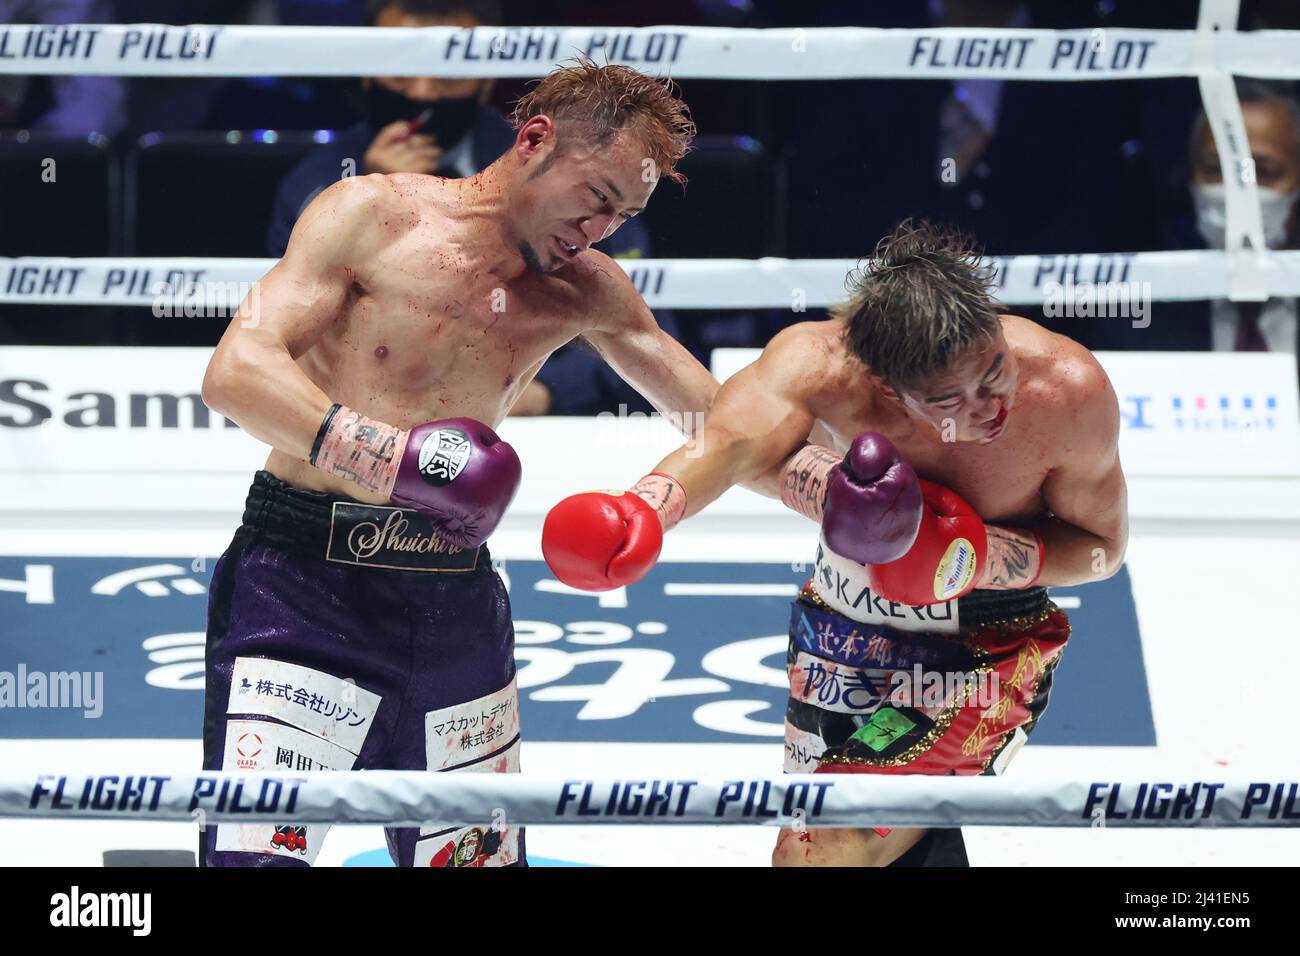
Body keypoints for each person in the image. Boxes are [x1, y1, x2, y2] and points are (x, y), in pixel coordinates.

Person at [199, 59, 711, 867]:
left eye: (624, 216)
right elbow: (235, 372)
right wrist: (395, 461)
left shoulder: (588, 291)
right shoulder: (367, 213)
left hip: (454, 606)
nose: (600, 231)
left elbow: (726, 423)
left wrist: (657, 503)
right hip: (300, 588)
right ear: (535, 141)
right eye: (597, 199)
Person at [543, 219, 1129, 866]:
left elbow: (1102, 549)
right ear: (886, 388)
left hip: (982, 649)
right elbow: (730, 441)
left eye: (994, 372)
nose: (989, 406)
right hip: (837, 632)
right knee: (834, 847)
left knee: (825, 848)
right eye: (948, 398)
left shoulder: (1067, 391)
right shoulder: (818, 365)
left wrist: (973, 555)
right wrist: (644, 510)